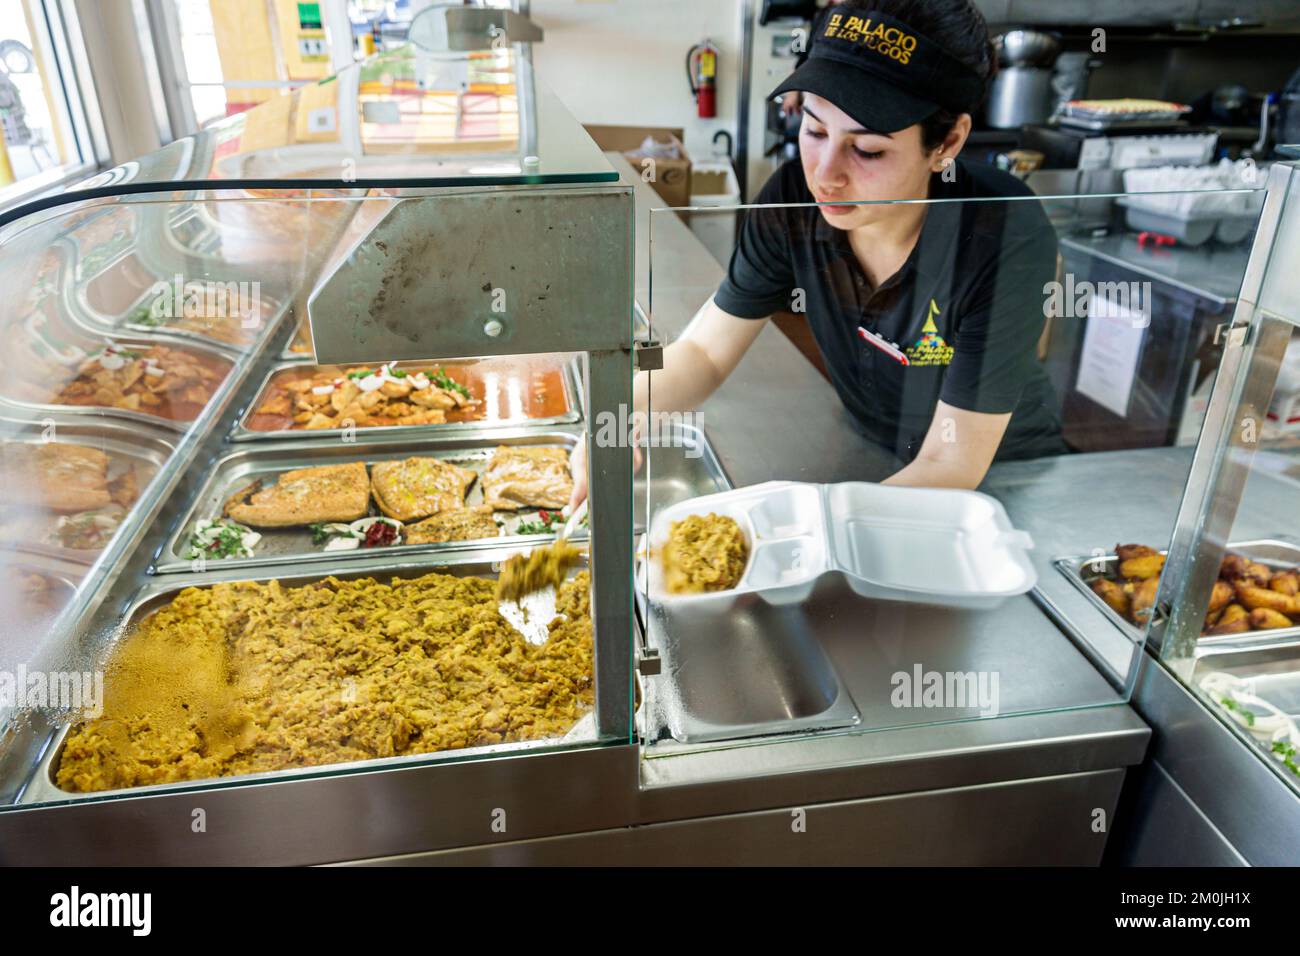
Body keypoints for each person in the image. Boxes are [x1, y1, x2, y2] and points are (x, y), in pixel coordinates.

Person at [569, 0, 1066, 511]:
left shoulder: (1002, 235)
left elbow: (950, 463)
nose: (825, 175)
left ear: (949, 141)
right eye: (814, 130)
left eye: (868, 149)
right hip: (878, 453)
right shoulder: (794, 204)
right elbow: (705, 352)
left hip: (1001, 480)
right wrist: (616, 412)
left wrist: (805, 524)